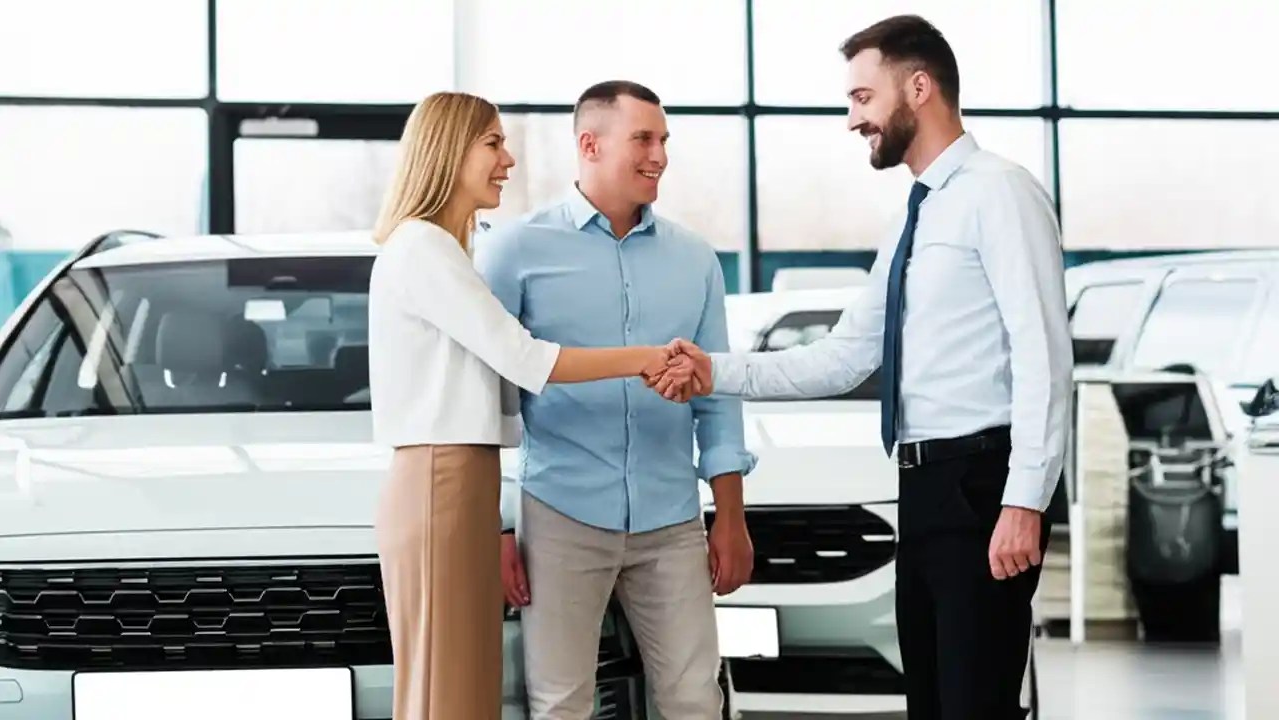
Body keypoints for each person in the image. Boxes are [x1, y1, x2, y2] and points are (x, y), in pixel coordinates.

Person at [653, 15, 1073, 720]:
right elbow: (844, 357)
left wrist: (1024, 502)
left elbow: (1044, 357)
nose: (854, 119)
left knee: (977, 704)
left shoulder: (999, 193)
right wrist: (711, 371)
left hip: (981, 484)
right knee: (934, 704)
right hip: (926, 486)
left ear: (918, 87)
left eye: (862, 97)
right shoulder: (917, 216)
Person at [367, 91, 693, 720]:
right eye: (492, 143)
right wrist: (642, 356)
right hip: (442, 476)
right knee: (448, 687)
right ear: (448, 150)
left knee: (456, 681)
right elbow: (525, 359)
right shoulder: (424, 249)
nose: (507, 160)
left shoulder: (440, 249)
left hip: (456, 476)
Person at [473, 80, 757, 720]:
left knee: (693, 699)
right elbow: (487, 402)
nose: (660, 155)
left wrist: (731, 516)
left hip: (672, 519)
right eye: (644, 139)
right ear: (590, 144)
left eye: (663, 141)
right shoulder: (516, 251)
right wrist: (495, 528)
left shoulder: (695, 259)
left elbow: (717, 396)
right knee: (559, 703)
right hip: (560, 516)